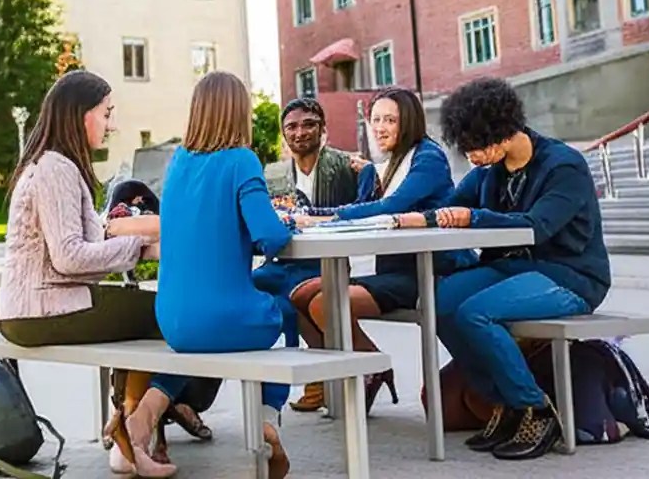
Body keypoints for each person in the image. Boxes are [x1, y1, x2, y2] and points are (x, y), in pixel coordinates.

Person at [398, 77, 610, 460]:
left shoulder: (564, 166)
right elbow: (451, 206)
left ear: (504, 131)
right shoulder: (489, 171)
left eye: (478, 146)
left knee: (476, 313)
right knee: (438, 303)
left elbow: (537, 226)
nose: (473, 157)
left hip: (569, 276)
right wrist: (415, 218)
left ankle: (536, 409)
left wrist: (473, 218)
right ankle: (505, 402)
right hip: (513, 270)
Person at [125, 71, 316, 479]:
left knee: (213, 329)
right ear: (238, 112)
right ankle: (266, 418)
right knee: (284, 306)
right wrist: (287, 222)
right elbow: (270, 237)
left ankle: (147, 412)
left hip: (174, 321)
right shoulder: (241, 160)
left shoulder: (178, 162)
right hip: (223, 320)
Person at [0, 70, 180, 477]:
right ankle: (133, 433)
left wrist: (145, 245)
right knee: (170, 315)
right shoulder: (55, 168)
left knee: (146, 311)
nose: (111, 125)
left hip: (40, 305)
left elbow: (89, 241)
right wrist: (138, 248)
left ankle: (130, 430)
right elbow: (69, 258)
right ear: (82, 115)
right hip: (42, 309)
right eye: (107, 113)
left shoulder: (52, 164)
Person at [289, 87, 474, 413]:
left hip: (430, 272)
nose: (380, 128)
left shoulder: (427, 158)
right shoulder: (390, 162)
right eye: (375, 120)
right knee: (299, 296)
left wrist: (320, 217)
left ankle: (371, 366)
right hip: (395, 271)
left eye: (390, 120)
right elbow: (366, 206)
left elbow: (390, 207)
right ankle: (341, 376)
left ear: (409, 121)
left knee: (324, 303)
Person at [256, 97, 359, 412]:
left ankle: (319, 376)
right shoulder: (273, 174)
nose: (299, 132)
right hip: (282, 262)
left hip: (324, 264)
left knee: (297, 296)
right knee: (245, 289)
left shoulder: (346, 166)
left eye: (308, 124)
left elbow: (365, 210)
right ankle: (271, 380)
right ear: (283, 133)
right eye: (291, 127)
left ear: (323, 129)